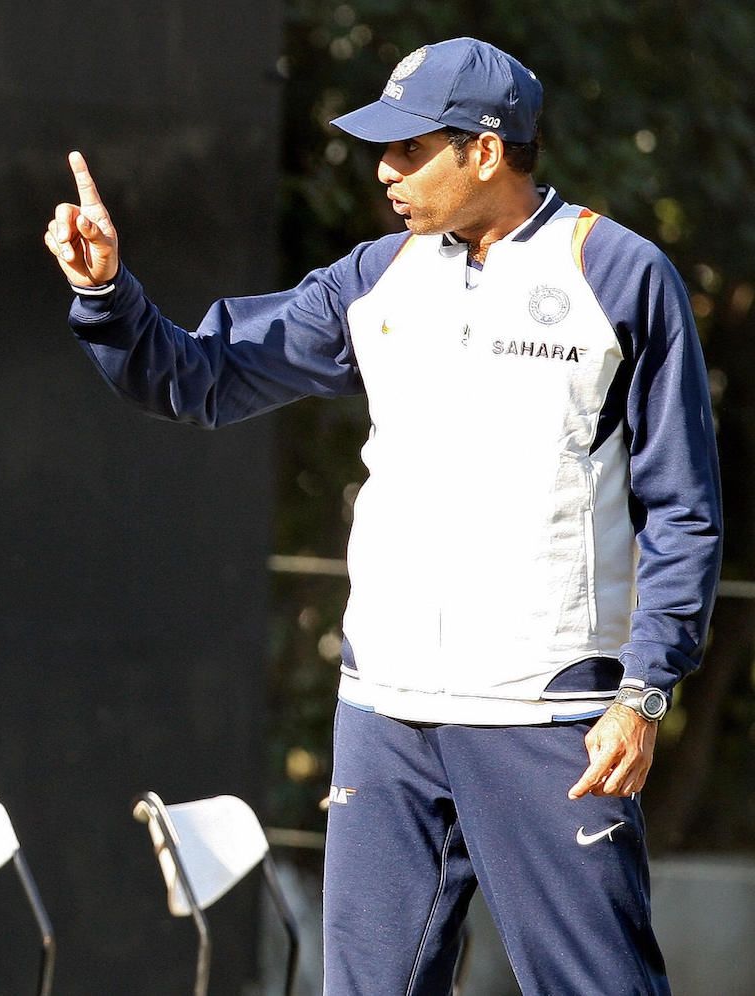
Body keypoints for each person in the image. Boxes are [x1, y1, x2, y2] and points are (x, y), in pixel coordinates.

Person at [44, 37, 720, 995]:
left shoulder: (620, 273)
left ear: (485, 152)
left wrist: (646, 689)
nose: (385, 170)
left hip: (549, 715)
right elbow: (200, 377)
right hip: (385, 715)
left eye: (410, 149)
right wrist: (105, 294)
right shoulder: (374, 277)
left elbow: (683, 507)